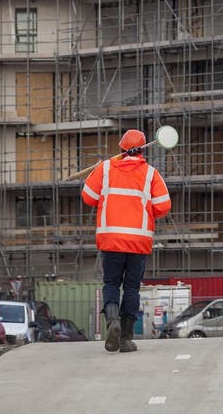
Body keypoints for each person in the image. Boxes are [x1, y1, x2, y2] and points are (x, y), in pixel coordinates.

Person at [82, 128, 172, 353]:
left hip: (111, 238)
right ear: (143, 152)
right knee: (131, 287)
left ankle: (112, 322)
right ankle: (125, 337)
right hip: (138, 241)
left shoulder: (105, 168)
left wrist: (101, 179)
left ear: (121, 149)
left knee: (111, 283)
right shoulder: (151, 174)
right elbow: (163, 206)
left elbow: (88, 197)